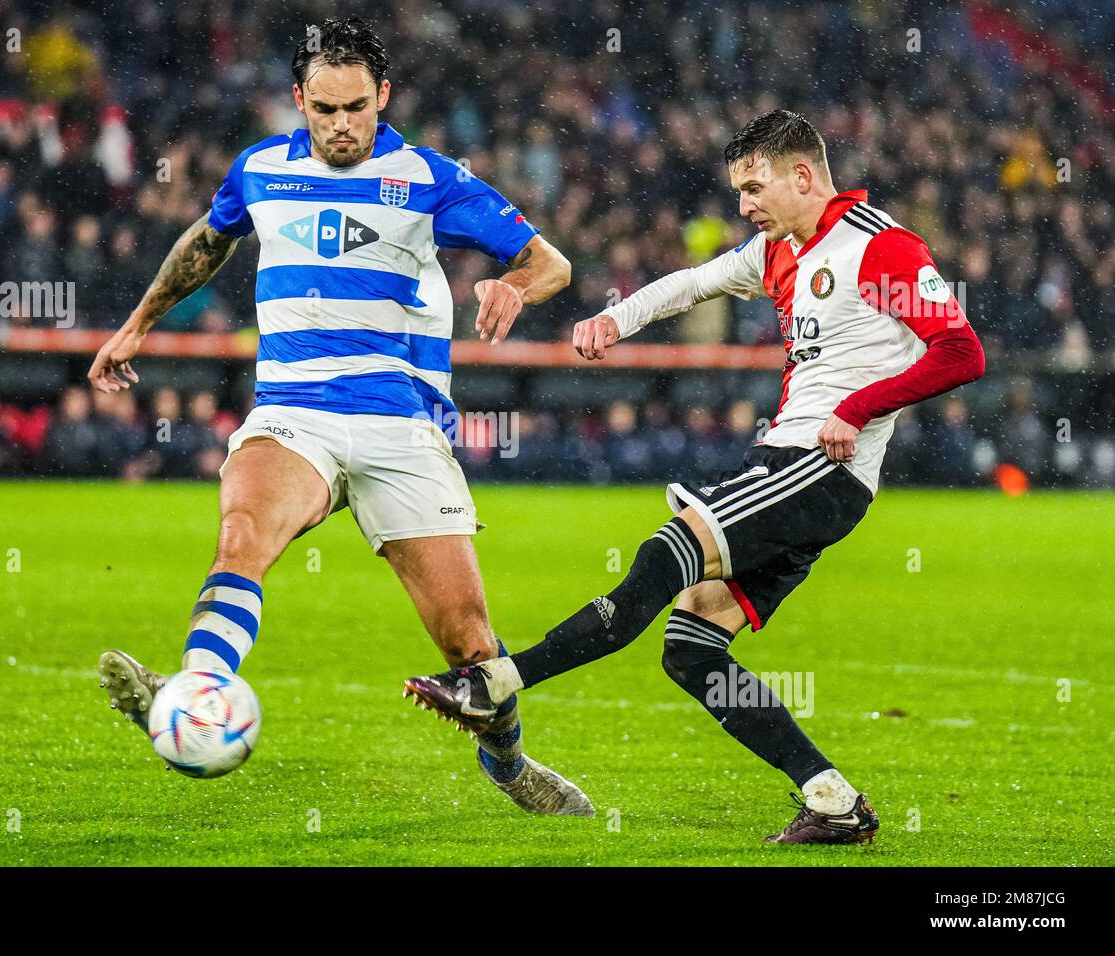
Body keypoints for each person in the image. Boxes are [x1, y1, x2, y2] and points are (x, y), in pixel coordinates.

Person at [404, 110, 987, 843]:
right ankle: (833, 800)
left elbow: (960, 350)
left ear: (802, 176)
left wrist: (862, 406)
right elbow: (693, 283)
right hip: (791, 465)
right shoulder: (780, 251)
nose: (743, 206)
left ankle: (494, 683)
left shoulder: (880, 248)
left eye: (753, 187)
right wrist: (616, 322)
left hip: (818, 467)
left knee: (665, 552)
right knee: (692, 648)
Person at [87, 18, 589, 815]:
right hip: (294, 412)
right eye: (324, 109)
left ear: (383, 97)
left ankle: (509, 763)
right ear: (299, 101)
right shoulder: (259, 170)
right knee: (241, 538)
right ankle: (195, 694)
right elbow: (208, 241)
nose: (342, 124)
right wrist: (139, 322)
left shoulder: (428, 177)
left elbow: (550, 261)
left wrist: (513, 287)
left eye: (356, 106)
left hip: (401, 424)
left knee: (469, 645)